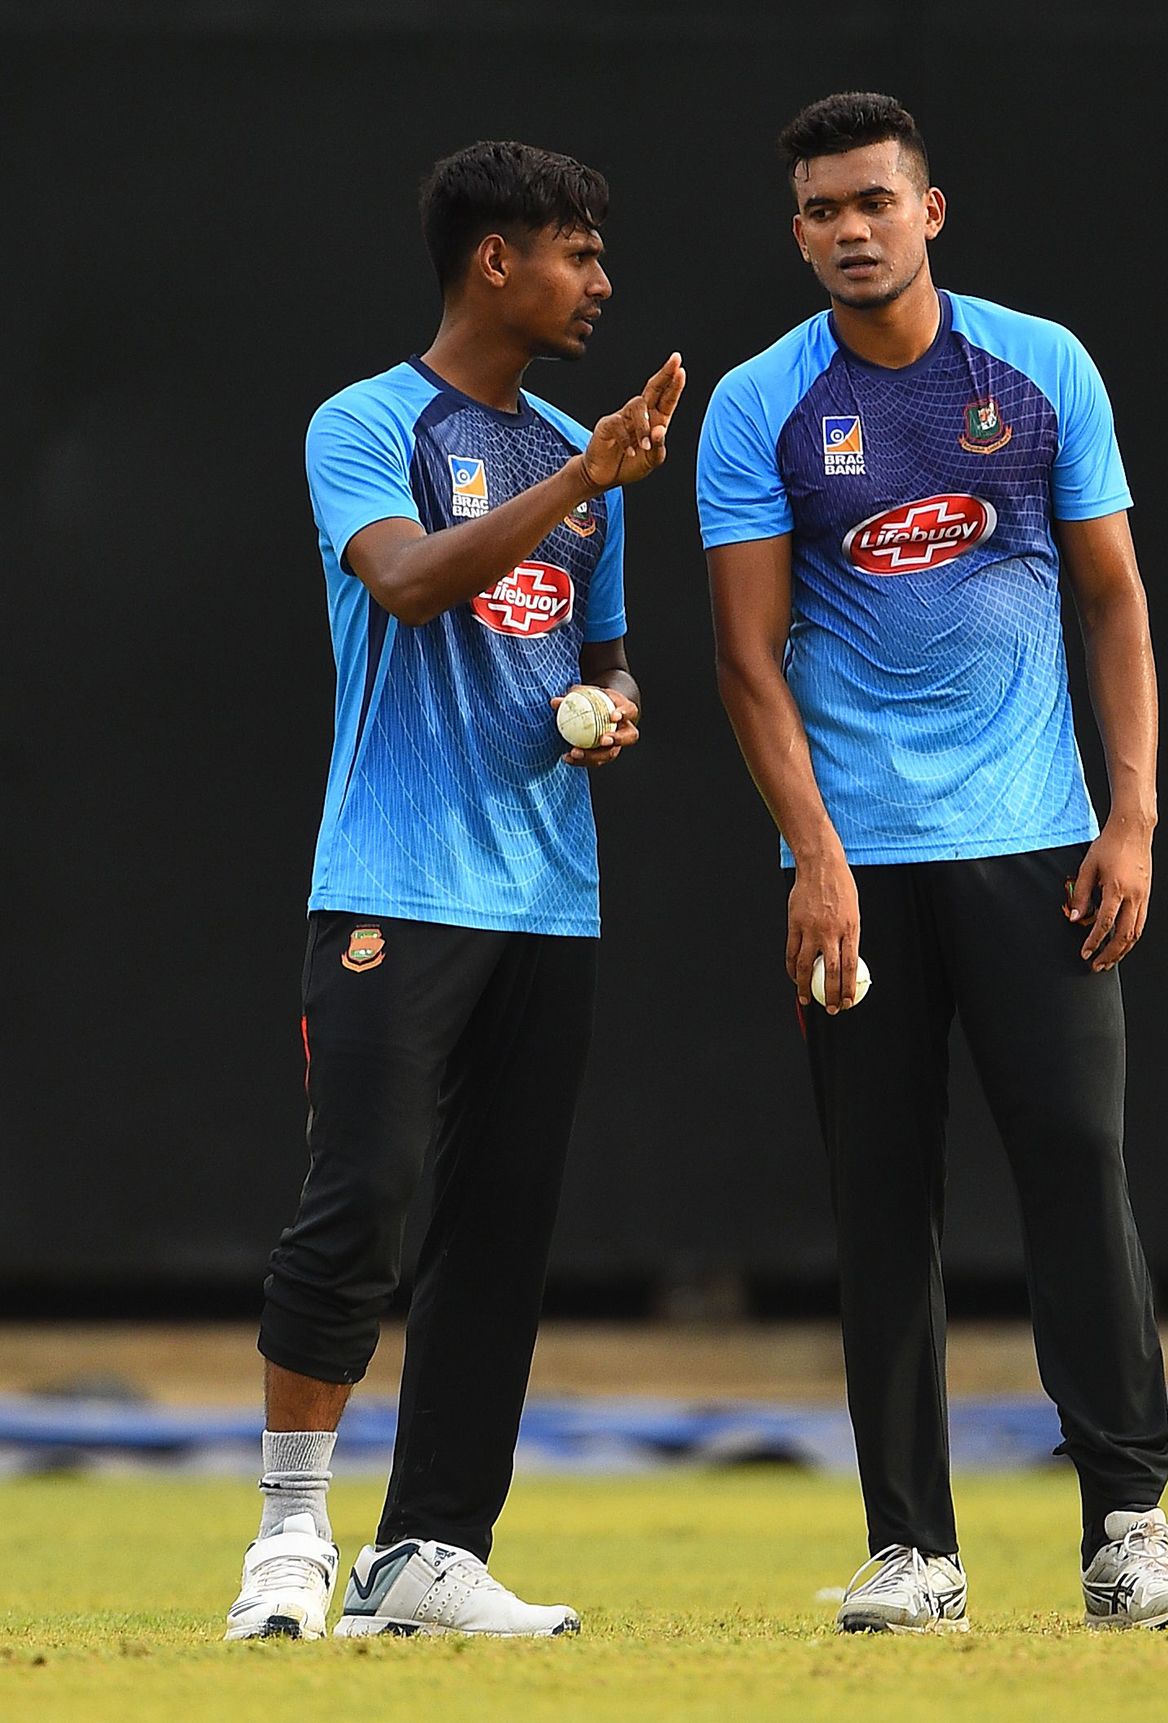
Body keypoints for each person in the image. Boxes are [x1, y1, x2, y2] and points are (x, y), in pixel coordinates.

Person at [697, 91, 1168, 1634]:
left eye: (873, 200)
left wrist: (1129, 816)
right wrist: (814, 855)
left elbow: (1113, 597)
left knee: (1077, 1175)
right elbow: (743, 658)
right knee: (882, 1203)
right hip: (856, 867)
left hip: (1035, 847)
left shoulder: (1038, 367)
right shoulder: (759, 403)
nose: (848, 230)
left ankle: (1130, 1529)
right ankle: (912, 1551)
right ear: (795, 232)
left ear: (932, 210)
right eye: (818, 210)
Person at [224, 139, 684, 1642]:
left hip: (548, 895)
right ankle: (291, 1537)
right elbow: (411, 580)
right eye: (578, 254)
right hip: (394, 882)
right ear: (497, 260)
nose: (601, 282)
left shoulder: (581, 455)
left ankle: (429, 1551)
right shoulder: (366, 422)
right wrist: (578, 475)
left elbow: (598, 652)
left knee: (498, 1227)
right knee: (359, 1202)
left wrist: (613, 706)